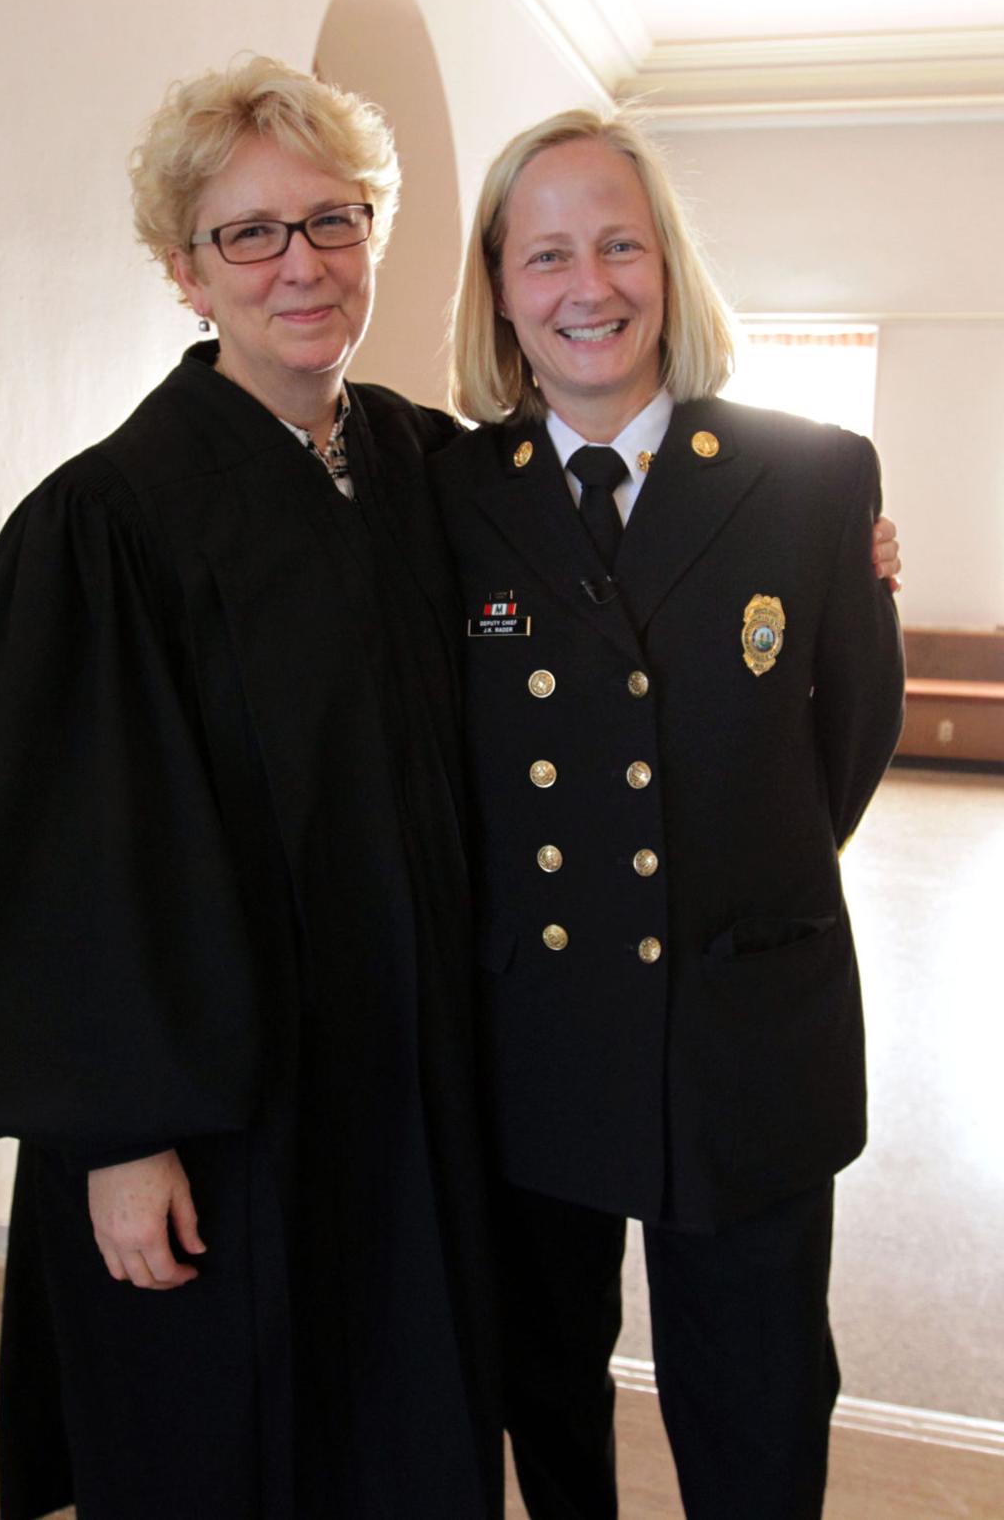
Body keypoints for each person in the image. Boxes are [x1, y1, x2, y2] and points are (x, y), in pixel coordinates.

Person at [0, 57, 500, 1520]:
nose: (301, 266)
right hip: (219, 1115)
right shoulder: (108, 525)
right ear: (183, 273)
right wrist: (112, 1136)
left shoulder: (423, 467)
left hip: (408, 1091)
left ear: (375, 236)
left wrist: (820, 548)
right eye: (249, 234)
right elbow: (60, 857)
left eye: (332, 222)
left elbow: (589, 583)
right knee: (223, 1442)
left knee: (402, 1418)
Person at [431, 108, 905, 1520]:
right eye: (549, 253)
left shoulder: (817, 475)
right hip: (535, 1029)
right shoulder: (443, 494)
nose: (592, 285)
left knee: (755, 1397)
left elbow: (849, 744)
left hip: (748, 1025)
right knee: (546, 1381)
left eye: (622, 244)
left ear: (670, 264)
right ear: (502, 288)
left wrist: (726, 881)